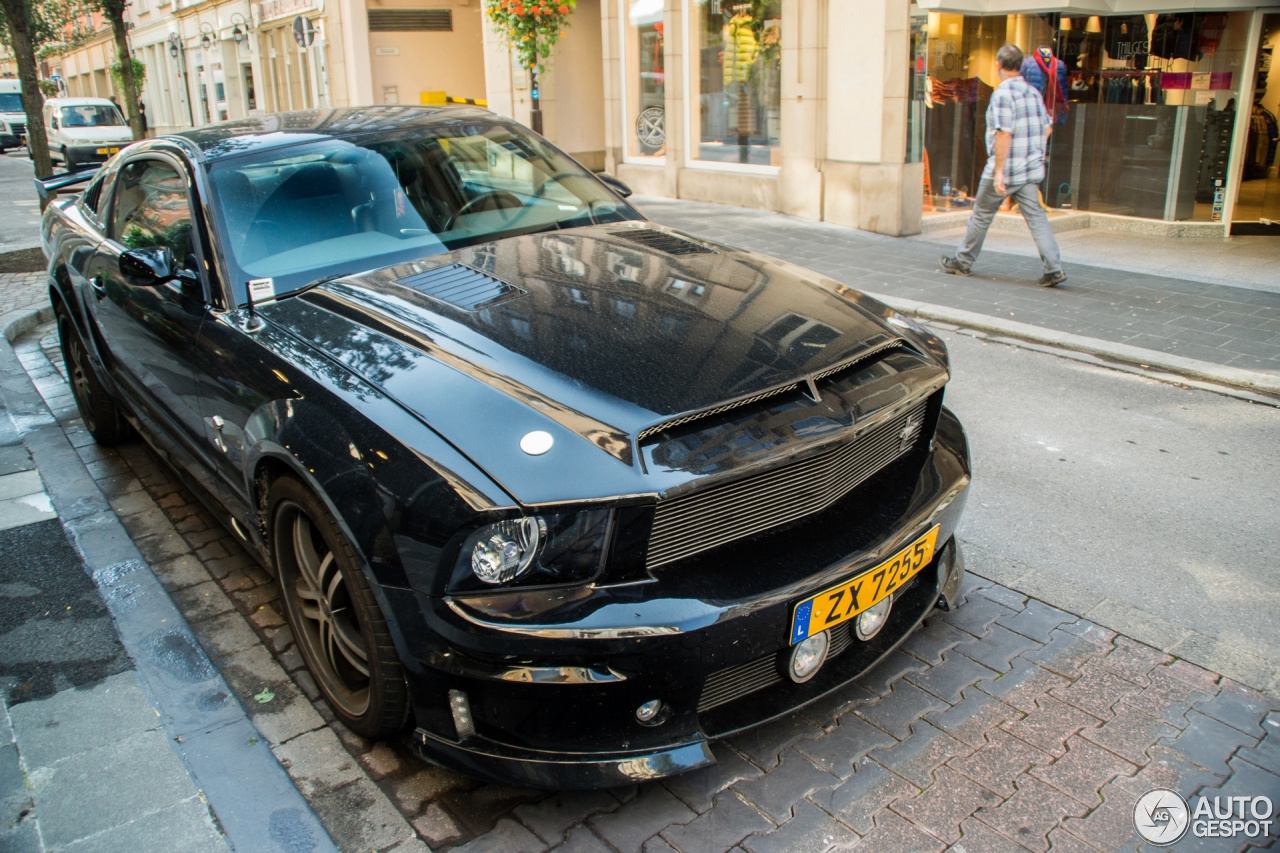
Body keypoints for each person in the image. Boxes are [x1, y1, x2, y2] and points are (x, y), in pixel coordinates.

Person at [942, 44, 1066, 287]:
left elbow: (1004, 133)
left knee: (981, 215)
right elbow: (1047, 126)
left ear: (998, 65)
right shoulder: (1033, 93)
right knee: (1037, 218)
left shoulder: (1002, 94)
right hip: (1029, 169)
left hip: (1005, 170)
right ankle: (1054, 269)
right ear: (1021, 66)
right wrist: (1034, 151)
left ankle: (963, 261)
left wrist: (999, 172)